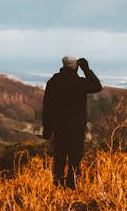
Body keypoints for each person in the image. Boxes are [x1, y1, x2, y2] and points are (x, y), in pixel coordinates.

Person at [42, 56, 102, 188]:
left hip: (59, 127)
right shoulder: (79, 83)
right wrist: (86, 69)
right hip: (76, 127)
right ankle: (72, 185)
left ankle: (57, 184)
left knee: (59, 157)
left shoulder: (53, 82)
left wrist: (47, 128)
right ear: (76, 67)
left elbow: (48, 107)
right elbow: (97, 86)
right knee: (75, 158)